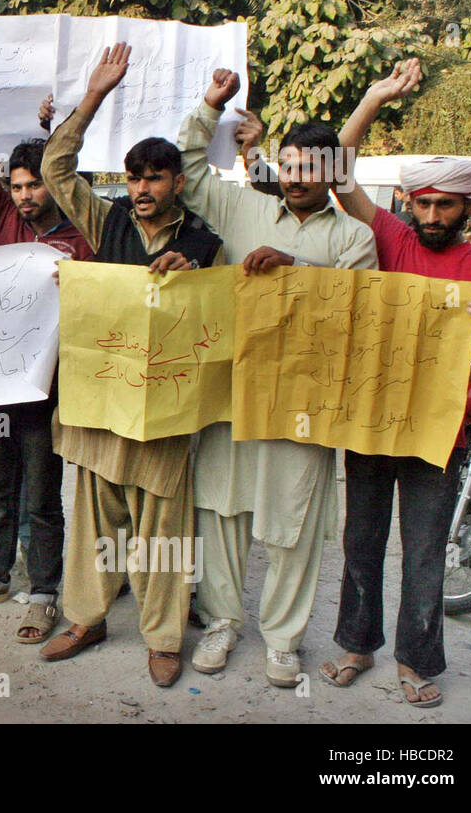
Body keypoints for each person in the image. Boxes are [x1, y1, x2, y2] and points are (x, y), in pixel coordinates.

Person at [177, 66, 378, 685]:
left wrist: (295, 269)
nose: (296, 178)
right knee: (222, 510)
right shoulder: (242, 208)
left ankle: (283, 640)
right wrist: (211, 108)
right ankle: (220, 624)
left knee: (293, 525)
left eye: (311, 168)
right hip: (233, 392)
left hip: (305, 403)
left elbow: (356, 315)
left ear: (330, 174)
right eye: (288, 166)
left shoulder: (355, 236)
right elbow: (185, 174)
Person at [35, 44, 225, 687]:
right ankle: (85, 619)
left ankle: (164, 636)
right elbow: (56, 167)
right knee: (93, 515)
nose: (142, 189)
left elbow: (217, 324)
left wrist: (194, 273)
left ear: (175, 183)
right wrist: (94, 96)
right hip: (99, 398)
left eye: (155, 178)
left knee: (162, 527)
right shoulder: (105, 219)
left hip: (166, 409)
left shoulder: (204, 242)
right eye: (135, 177)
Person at [318, 57, 471, 707]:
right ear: (407, 203)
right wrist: (372, 97)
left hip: (438, 431)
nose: (429, 212)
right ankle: (355, 644)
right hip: (373, 418)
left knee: (425, 550)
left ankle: (417, 661)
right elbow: (336, 171)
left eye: (443, 203)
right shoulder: (392, 238)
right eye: (420, 201)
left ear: (467, 206)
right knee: (360, 538)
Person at [0, 42, 93, 644]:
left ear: (53, 186)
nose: (26, 194)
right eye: (18, 185)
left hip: (48, 392)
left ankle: (45, 592)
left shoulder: (83, 237)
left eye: (35, 185)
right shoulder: (3, 222)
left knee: (42, 498)